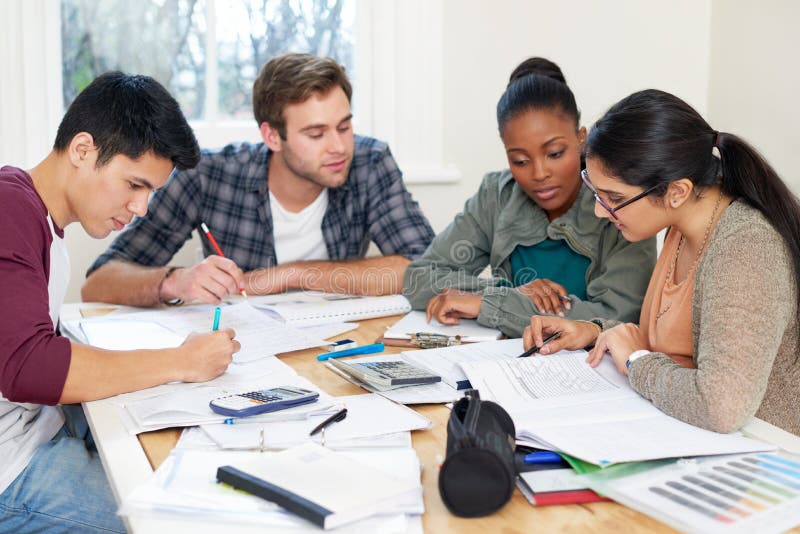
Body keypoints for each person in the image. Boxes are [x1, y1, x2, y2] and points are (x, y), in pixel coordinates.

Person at [0, 72, 240, 533]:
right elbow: (29, 368)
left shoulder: (40, 220)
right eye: (134, 184)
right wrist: (180, 362)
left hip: (36, 430)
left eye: (150, 191)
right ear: (82, 150)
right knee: (173, 522)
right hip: (12, 467)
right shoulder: (9, 212)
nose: (142, 208)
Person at [523, 89, 800, 436]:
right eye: (595, 192)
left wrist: (636, 362)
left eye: (614, 198)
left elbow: (721, 407)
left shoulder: (746, 247)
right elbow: (675, 349)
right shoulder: (682, 226)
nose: (599, 211)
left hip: (765, 459)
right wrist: (597, 333)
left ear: (677, 192)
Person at [81, 53, 435, 307]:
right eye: (316, 134)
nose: (339, 146)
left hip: (340, 346)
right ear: (272, 137)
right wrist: (175, 281)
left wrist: (289, 275)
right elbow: (99, 282)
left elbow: (426, 269)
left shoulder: (370, 162)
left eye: (344, 126)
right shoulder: (209, 176)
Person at [403, 58, 656, 337]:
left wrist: (492, 305)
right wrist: (509, 292)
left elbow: (617, 317)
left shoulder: (620, 201)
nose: (539, 173)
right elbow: (419, 279)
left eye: (555, 153)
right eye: (520, 160)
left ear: (581, 138)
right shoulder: (497, 195)